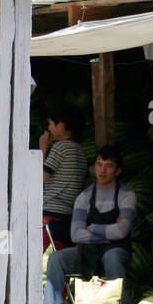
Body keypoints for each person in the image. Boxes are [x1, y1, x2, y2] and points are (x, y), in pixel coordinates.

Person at [42, 145, 136, 304]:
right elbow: (76, 234)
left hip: (117, 250)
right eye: (99, 164)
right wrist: (109, 231)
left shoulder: (127, 196)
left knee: (112, 257)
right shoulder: (83, 197)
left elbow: (122, 231)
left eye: (108, 165)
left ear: (117, 171)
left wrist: (92, 228)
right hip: (87, 252)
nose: (102, 170)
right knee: (56, 258)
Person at [38, 107, 88, 251]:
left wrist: (43, 148)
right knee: (62, 254)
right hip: (69, 214)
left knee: (31, 252)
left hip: (52, 211)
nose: (49, 128)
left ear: (60, 125)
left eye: (50, 124)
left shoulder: (60, 149)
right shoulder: (80, 151)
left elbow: (40, 177)